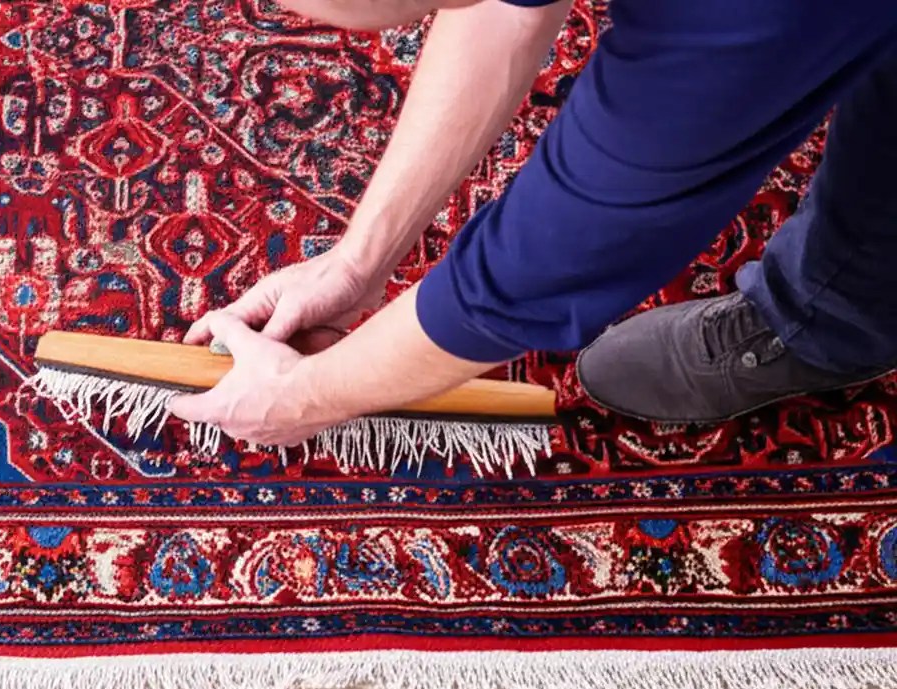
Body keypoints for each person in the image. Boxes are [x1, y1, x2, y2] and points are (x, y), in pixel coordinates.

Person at [167, 0, 897, 448]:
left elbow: (540, 271)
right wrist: (357, 259)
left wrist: (303, 397)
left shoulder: (724, 25)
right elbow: (505, 12)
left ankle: (826, 318)